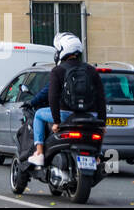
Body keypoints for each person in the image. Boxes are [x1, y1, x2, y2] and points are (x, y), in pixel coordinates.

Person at [28, 32, 106, 167]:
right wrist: (103, 123)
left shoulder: (58, 70)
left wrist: (57, 121)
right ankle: (97, 157)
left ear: (63, 50)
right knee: (97, 133)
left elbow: (52, 97)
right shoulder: (91, 70)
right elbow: (101, 97)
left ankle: (39, 153)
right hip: (90, 116)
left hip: (67, 115)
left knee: (39, 115)